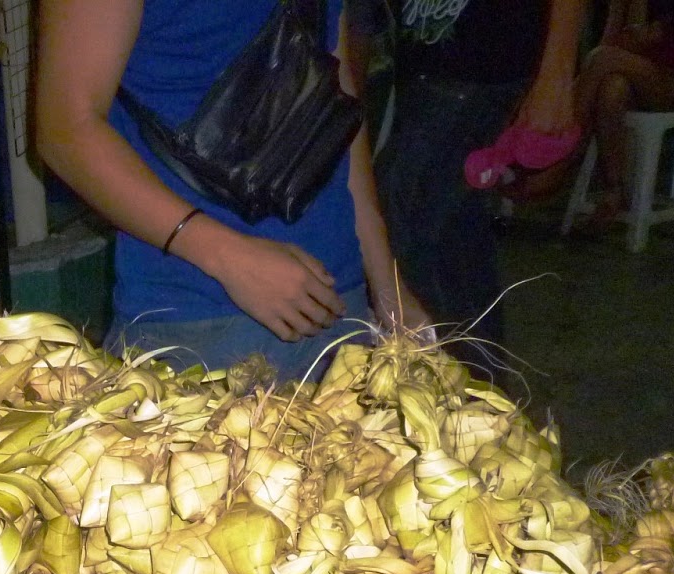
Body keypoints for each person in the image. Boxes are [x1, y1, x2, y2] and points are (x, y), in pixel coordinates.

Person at [34, 0, 427, 383]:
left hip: (343, 303)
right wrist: (230, 257)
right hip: (200, 321)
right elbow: (66, 130)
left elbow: (332, 92)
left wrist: (386, 281)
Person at [375, 0, 588, 356]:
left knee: (414, 231)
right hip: (427, 68)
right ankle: (476, 393)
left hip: (482, 71)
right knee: (449, 240)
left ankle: (459, 388)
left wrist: (557, 74)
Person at [572, 0, 674, 221]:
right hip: (643, 68)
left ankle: (569, 145)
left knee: (601, 59)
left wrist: (640, 35)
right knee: (612, 90)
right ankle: (615, 189)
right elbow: (617, 39)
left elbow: (660, 34)